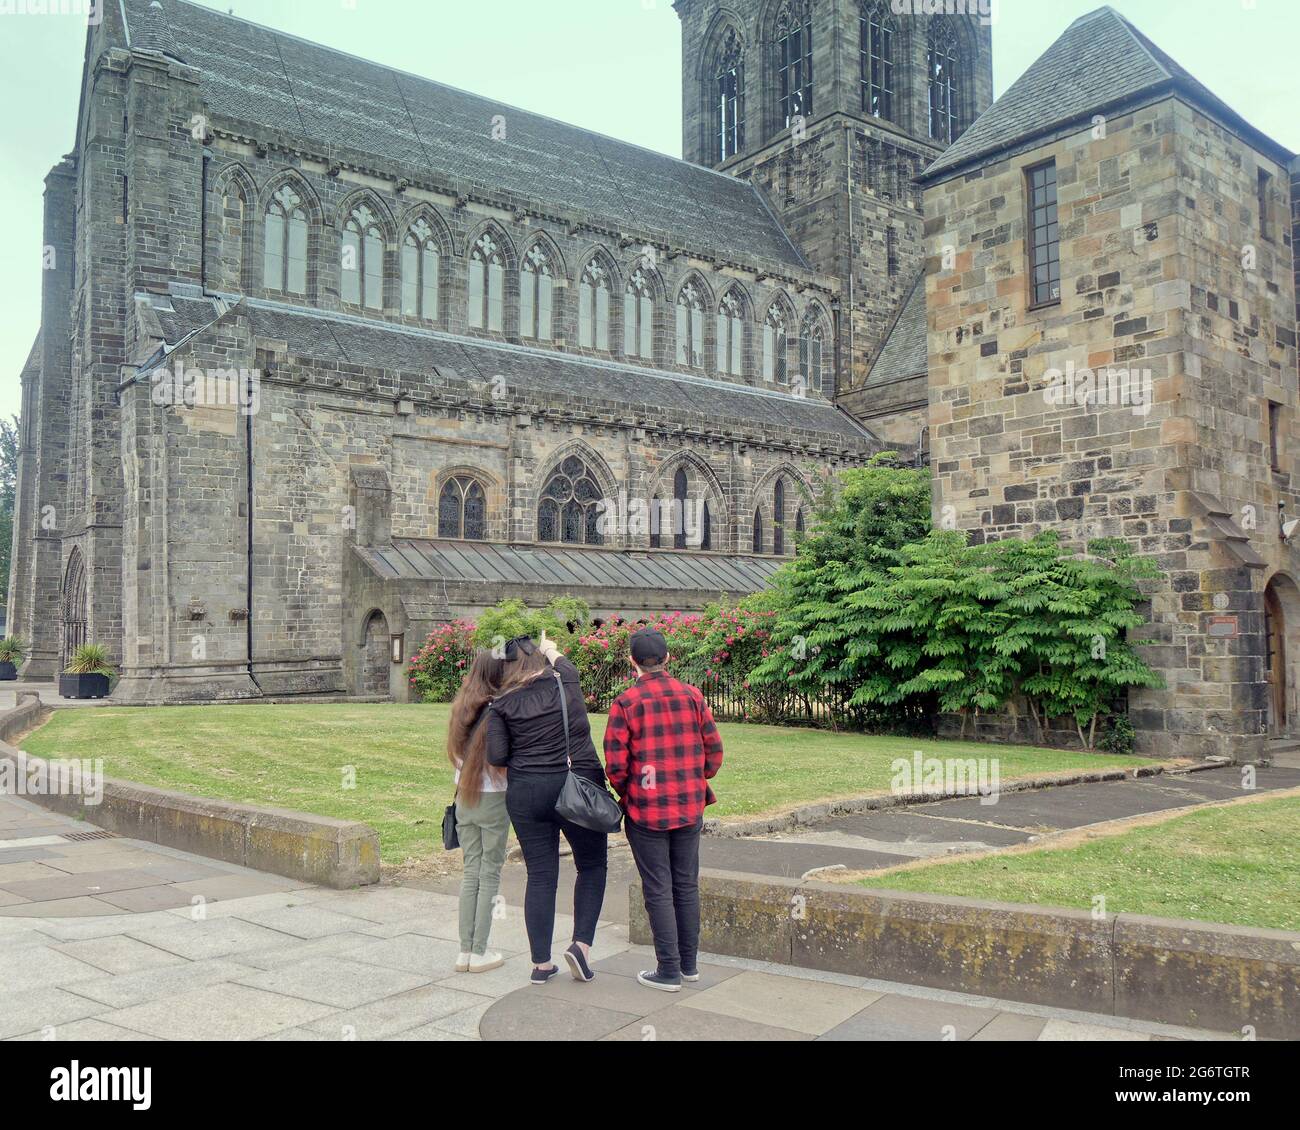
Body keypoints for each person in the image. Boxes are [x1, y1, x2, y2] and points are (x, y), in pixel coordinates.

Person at [604, 628, 724, 992]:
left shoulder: (626, 703)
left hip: (647, 811)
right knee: (685, 884)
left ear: (632, 661)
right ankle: (688, 965)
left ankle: (669, 969)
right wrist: (691, 778)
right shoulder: (692, 696)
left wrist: (630, 794)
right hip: (688, 805)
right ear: (668, 658)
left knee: (658, 887)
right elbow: (714, 752)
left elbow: (615, 766)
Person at [486, 633, 609, 985]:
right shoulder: (565, 680)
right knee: (592, 865)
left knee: (540, 874)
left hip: (527, 792)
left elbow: (496, 756)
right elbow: (562, 661)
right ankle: (581, 946)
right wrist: (549, 646)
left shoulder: (502, 704)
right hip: (576, 786)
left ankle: (541, 963)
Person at [447, 650, 510, 974]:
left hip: (464, 800)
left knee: (471, 871)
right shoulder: (499, 709)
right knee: (489, 873)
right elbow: (502, 761)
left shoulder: (461, 706)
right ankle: (480, 951)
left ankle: (464, 951)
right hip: (493, 799)